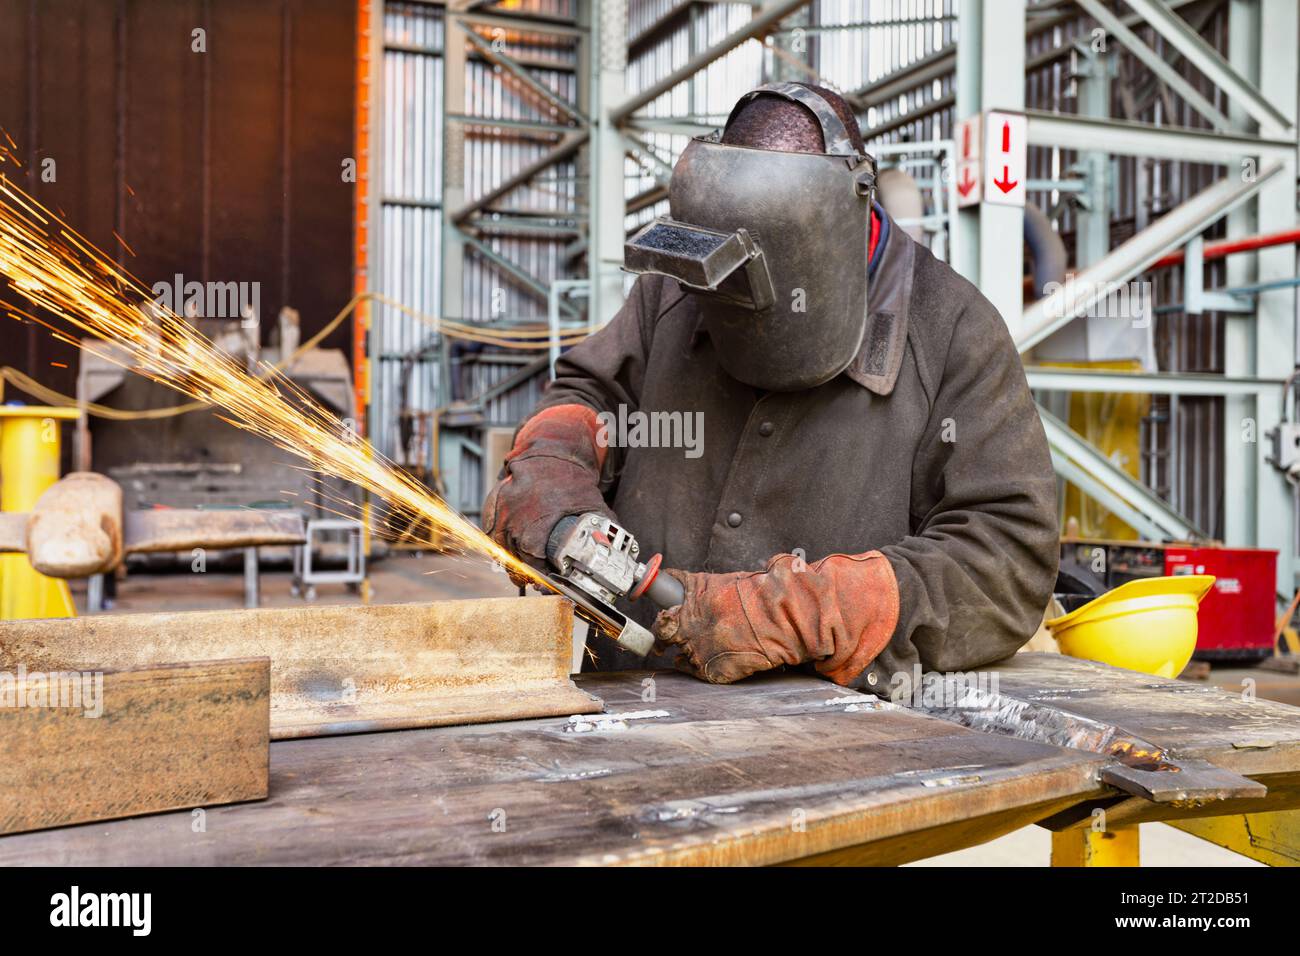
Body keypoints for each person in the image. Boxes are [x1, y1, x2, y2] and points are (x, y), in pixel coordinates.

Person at [483, 82, 1058, 691]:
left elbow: (1008, 557)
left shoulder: (953, 329)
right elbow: (592, 393)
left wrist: (799, 612)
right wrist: (552, 460)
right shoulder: (674, 288)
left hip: (825, 741)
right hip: (630, 693)